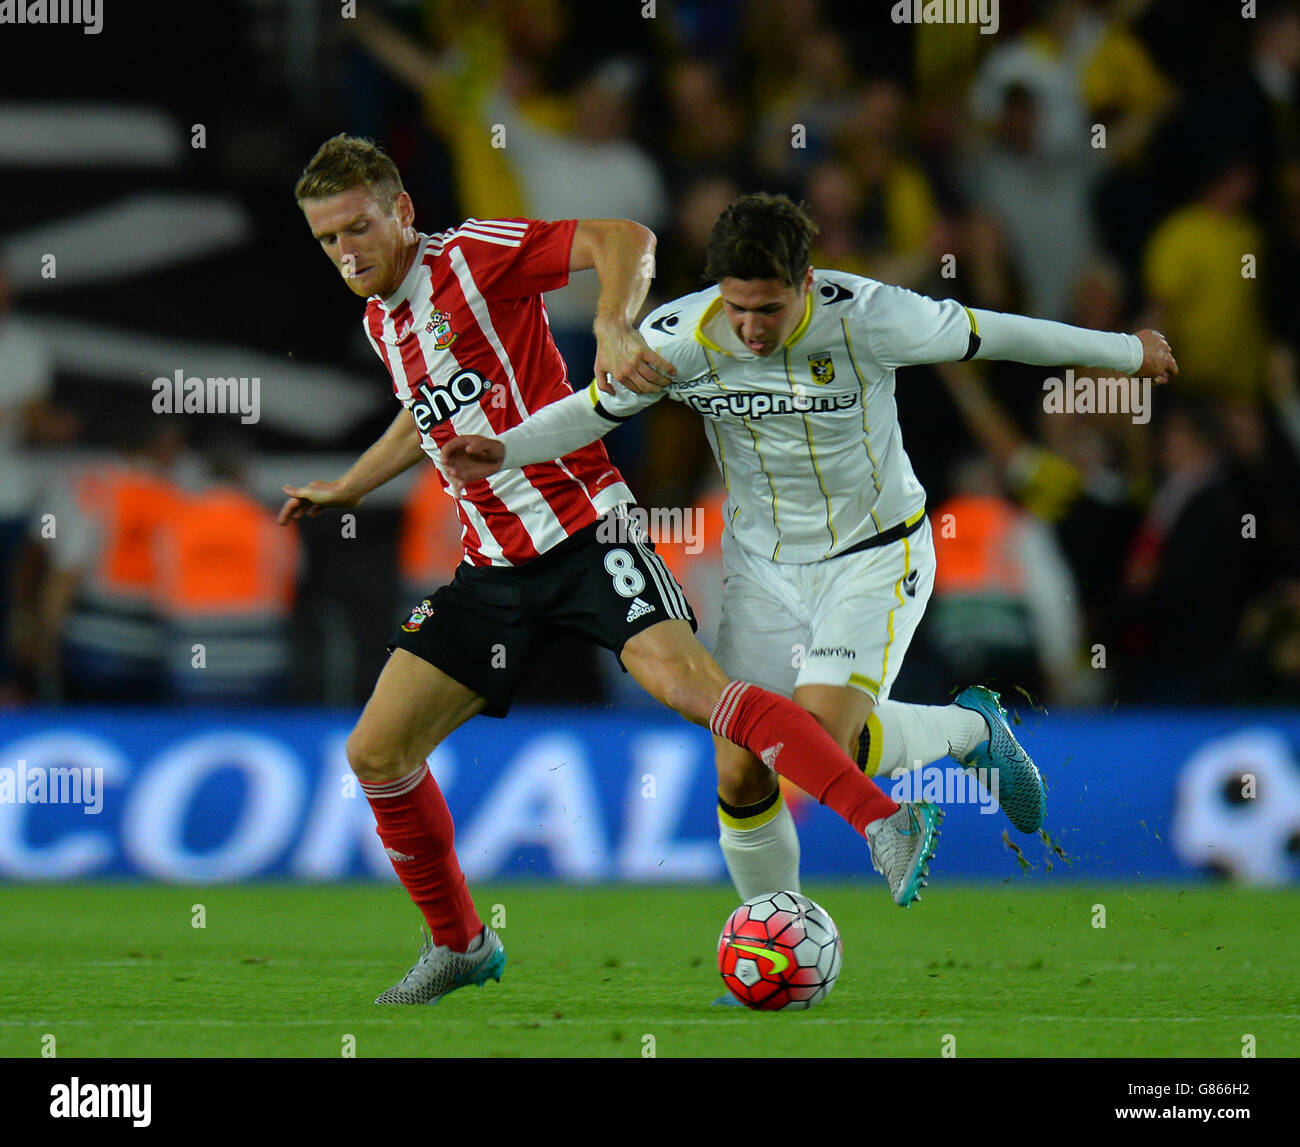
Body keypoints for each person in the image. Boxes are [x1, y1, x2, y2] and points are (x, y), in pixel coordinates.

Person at [280, 137, 941, 1006]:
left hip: (590, 532)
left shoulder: (472, 256)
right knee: (376, 751)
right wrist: (350, 485)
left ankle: (882, 820)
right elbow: (426, 411)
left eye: (357, 228)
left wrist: (613, 319)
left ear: (401, 210)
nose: (346, 252)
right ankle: (464, 944)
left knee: (694, 691)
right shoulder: (383, 320)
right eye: (327, 240)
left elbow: (622, 236)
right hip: (493, 567)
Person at [442, 192, 1178, 903]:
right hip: (761, 572)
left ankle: (971, 730)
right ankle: (779, 928)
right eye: (737, 307)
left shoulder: (870, 316)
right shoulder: (681, 337)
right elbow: (591, 412)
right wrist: (502, 448)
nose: (752, 328)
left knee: (817, 739)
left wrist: (1125, 351)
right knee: (741, 762)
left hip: (873, 555)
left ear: (806, 282)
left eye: (769, 308)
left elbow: (996, 333)